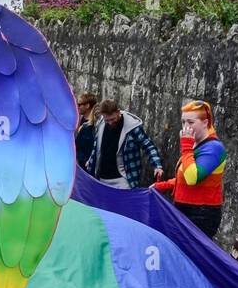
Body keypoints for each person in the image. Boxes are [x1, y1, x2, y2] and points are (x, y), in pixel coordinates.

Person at [154, 99, 227, 238]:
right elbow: (184, 176)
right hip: (184, 209)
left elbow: (192, 178)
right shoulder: (196, 144)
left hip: (201, 214)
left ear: (205, 123)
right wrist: (164, 185)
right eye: (183, 122)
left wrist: (186, 147)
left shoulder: (213, 148)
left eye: (191, 122)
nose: (185, 127)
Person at [85, 98, 163, 189]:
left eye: (113, 119)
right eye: (107, 120)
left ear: (118, 112)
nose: (110, 123)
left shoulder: (132, 127)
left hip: (124, 179)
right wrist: (90, 161)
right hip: (102, 177)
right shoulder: (101, 123)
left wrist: (157, 165)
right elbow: (97, 147)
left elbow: (148, 146)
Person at [75, 92, 98, 169]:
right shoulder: (81, 121)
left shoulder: (95, 125)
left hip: (89, 167)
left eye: (79, 104)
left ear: (87, 105)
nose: (77, 107)